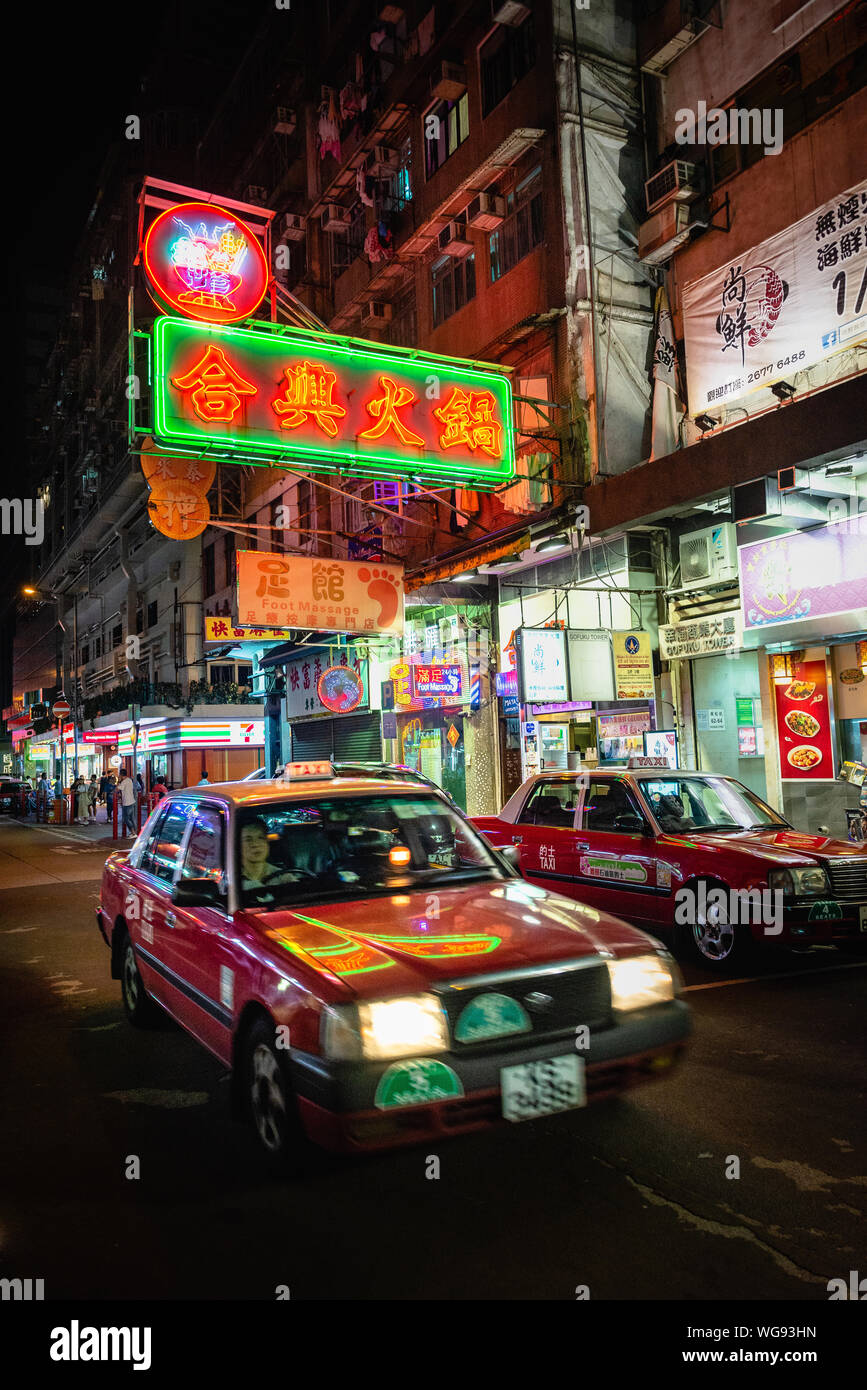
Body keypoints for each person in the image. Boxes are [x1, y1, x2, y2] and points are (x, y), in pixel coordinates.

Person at [240, 818, 302, 890]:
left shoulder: (283, 878)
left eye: (260, 838)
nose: (255, 844)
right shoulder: (231, 881)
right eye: (248, 840)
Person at [118, 769, 137, 837]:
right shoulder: (129, 780)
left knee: (126, 819)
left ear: (121, 774)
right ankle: (134, 832)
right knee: (131, 818)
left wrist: (119, 781)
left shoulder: (124, 782)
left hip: (127, 802)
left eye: (119, 774)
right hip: (131, 801)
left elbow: (118, 789)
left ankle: (133, 833)